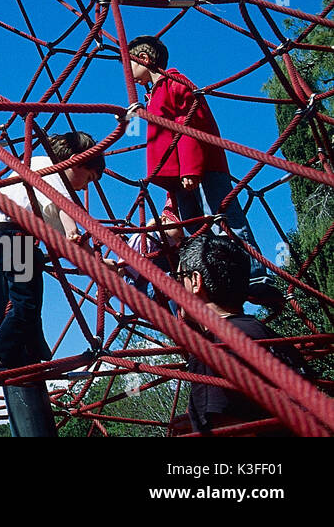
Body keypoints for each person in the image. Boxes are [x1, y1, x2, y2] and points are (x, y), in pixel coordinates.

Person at [125, 35, 283, 309]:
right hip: (176, 176)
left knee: (224, 218)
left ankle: (255, 275)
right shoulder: (152, 96)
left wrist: (191, 167)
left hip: (202, 168)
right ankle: (212, 280)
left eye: (130, 66)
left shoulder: (175, 83)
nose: (128, 75)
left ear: (145, 59)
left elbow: (189, 126)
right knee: (195, 230)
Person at [0, 132, 105, 385]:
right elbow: (69, 227)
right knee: (25, 303)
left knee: (31, 294)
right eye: (89, 178)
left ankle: (35, 348)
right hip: (9, 233)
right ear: (76, 161)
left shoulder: (35, 164)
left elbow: (67, 238)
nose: (86, 186)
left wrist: (99, 264)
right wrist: (79, 240)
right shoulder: (54, 174)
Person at [172, 235, 307, 435]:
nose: (175, 287)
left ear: (195, 281)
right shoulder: (268, 335)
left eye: (178, 278)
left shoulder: (212, 348)